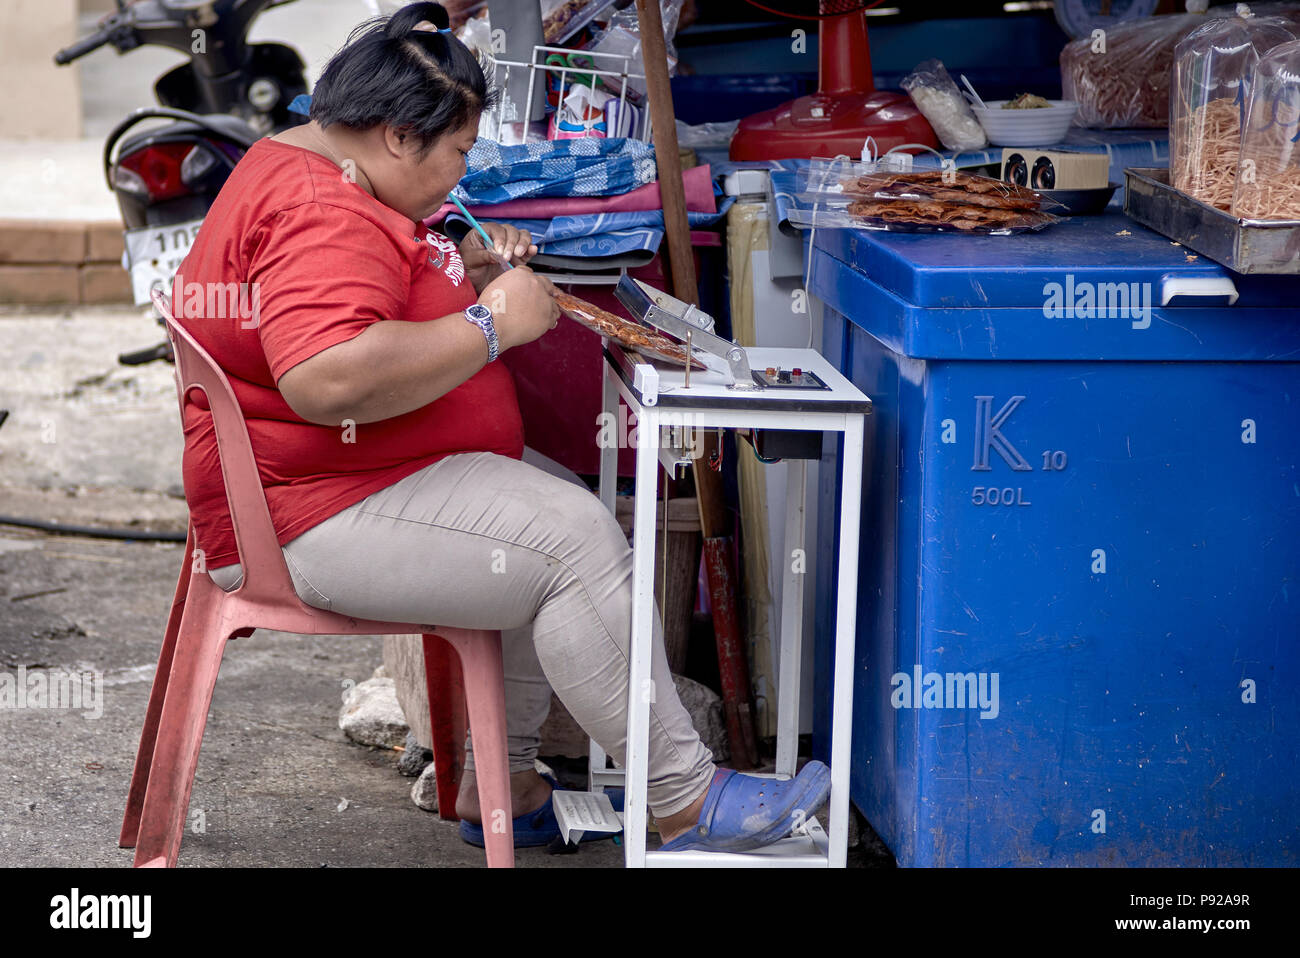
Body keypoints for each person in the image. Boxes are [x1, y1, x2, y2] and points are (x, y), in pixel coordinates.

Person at [172, 0, 829, 854]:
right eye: (456, 151)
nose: (463, 170)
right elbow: (325, 376)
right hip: (303, 512)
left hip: (330, 480)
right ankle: (685, 799)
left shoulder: (309, 161)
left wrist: (451, 268)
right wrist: (490, 325)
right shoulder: (320, 210)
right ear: (396, 137)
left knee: (547, 504)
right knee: (572, 540)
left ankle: (506, 780)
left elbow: (357, 296)